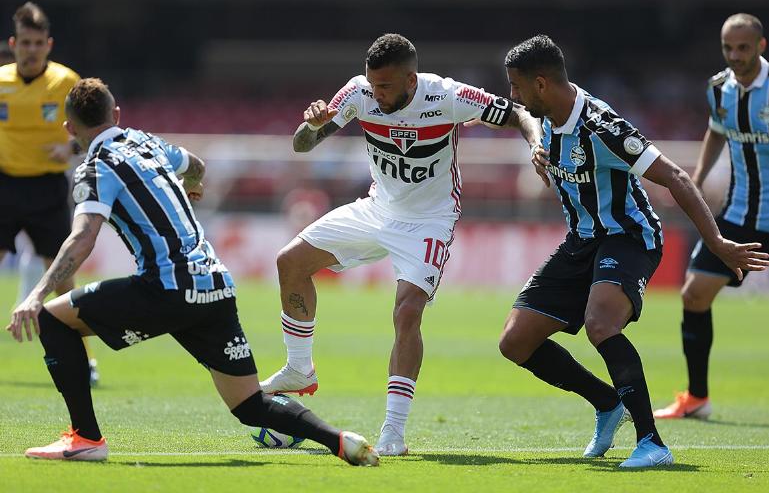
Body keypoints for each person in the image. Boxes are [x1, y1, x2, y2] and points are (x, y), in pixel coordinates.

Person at [6, 78, 379, 466]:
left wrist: (36, 295)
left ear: (69, 128)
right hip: (215, 286)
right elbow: (196, 164)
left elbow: (83, 237)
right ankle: (340, 441)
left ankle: (85, 438)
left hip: (164, 289)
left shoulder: (95, 168)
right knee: (250, 406)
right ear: (116, 115)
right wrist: (194, 183)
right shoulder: (149, 143)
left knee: (52, 320)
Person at [260, 33, 544, 456]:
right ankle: (300, 369)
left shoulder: (447, 96)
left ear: (411, 79)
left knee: (407, 311)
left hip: (429, 221)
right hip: (378, 207)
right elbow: (302, 144)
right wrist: (313, 125)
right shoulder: (358, 92)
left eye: (386, 87)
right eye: (373, 85)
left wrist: (536, 144)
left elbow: (519, 112)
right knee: (291, 262)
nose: (377, 94)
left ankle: (393, 430)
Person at [499, 35, 768, 468]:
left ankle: (652, 443)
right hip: (581, 241)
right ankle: (607, 404)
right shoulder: (545, 114)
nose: (513, 95)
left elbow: (676, 176)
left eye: (516, 86)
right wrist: (534, 144)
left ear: (542, 83)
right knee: (515, 342)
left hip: (630, 236)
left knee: (600, 323)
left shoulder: (602, 127)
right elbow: (521, 118)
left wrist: (716, 241)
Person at [654, 14, 769, 420]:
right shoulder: (719, 89)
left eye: (742, 47)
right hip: (739, 213)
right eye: (727, 48)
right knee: (694, 295)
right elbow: (717, 131)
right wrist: (697, 180)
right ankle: (697, 398)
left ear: (761, 46)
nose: (735, 55)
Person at [0, 2, 100, 386]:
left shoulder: (65, 82)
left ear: (49, 44)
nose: (30, 49)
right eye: (24, 42)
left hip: (47, 188)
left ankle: (85, 360)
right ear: (13, 43)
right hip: (4, 184)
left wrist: (70, 149)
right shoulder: (2, 80)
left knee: (62, 277)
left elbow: (93, 130)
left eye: (37, 42)